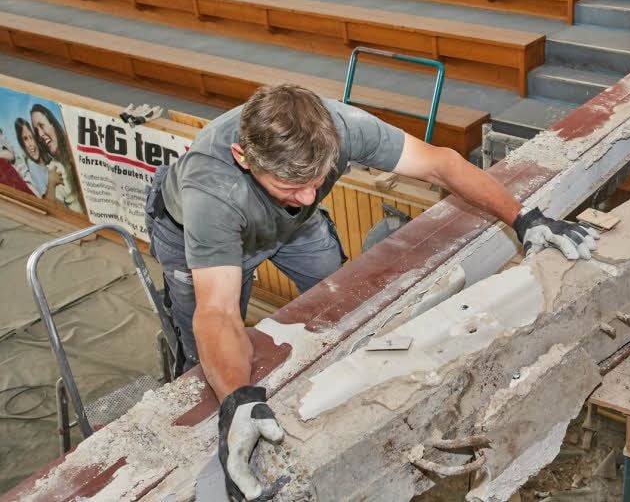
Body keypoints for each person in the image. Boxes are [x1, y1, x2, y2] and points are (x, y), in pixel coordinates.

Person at [143, 83, 597, 501]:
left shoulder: (341, 128)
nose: (307, 196)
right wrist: (238, 399)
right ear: (244, 157)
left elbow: (441, 164)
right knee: (206, 367)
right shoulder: (213, 189)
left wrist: (525, 218)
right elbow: (218, 312)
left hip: (292, 232)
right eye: (291, 186)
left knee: (337, 298)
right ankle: (224, 430)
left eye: (317, 181)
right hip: (197, 235)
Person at [30, 104, 85, 213]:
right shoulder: (54, 168)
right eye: (37, 131)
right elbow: (50, 210)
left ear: (53, 124)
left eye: (42, 126)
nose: (40, 134)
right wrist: (51, 184)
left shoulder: (78, 147)